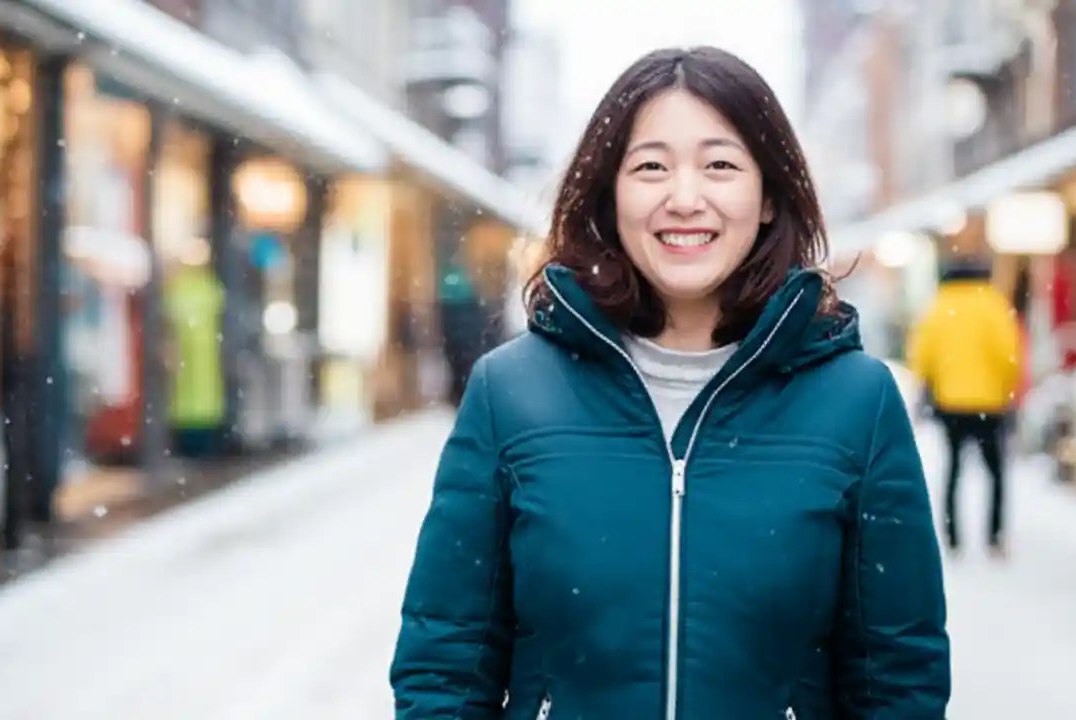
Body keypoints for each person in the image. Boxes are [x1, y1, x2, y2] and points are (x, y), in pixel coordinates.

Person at [390, 47, 950, 719]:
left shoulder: (856, 403)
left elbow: (897, 678)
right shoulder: (510, 394)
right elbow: (446, 663)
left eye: (720, 166)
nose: (685, 200)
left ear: (769, 197)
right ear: (610, 196)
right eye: (651, 167)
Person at [908, 257, 1021, 557]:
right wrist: (1006, 389)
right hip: (989, 403)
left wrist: (928, 383)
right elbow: (1008, 353)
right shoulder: (994, 305)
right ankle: (994, 537)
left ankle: (952, 536)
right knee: (995, 472)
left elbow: (922, 353)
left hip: (951, 401)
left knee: (953, 468)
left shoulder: (940, 306)